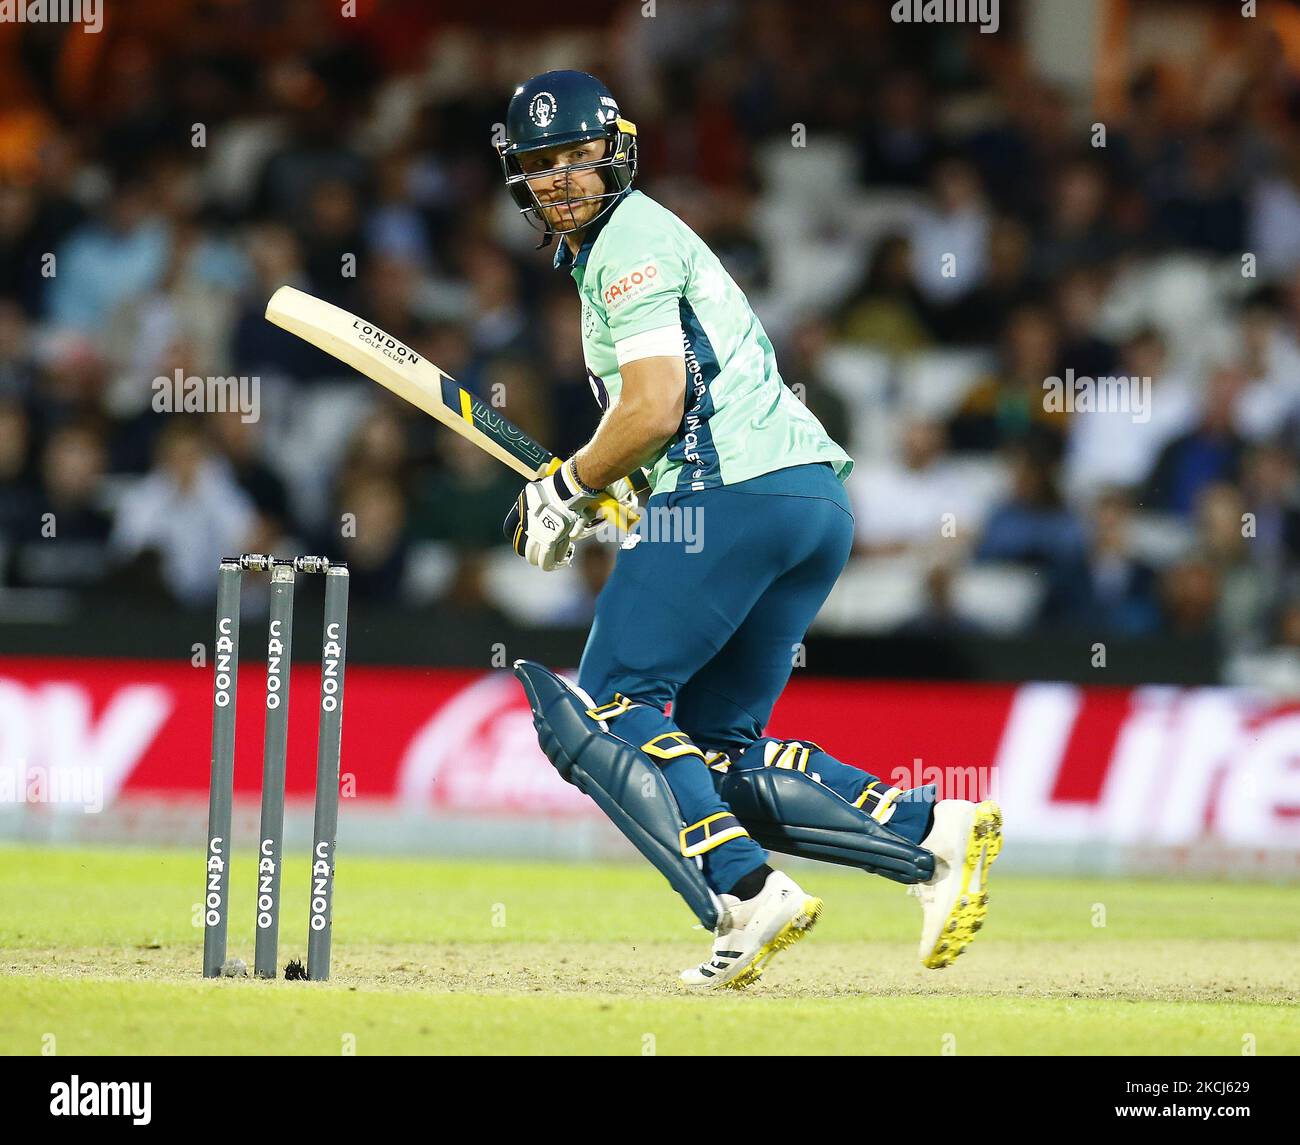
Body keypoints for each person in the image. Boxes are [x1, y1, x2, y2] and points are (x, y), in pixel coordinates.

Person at [498, 71, 1002, 989]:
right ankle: (932, 831)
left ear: (619, 151)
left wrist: (567, 483)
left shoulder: (628, 242)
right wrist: (618, 493)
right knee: (717, 750)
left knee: (610, 704)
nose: (564, 178)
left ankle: (744, 896)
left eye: (579, 155)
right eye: (543, 164)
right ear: (520, 180)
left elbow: (654, 408)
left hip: (732, 491)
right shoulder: (623, 249)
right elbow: (674, 417)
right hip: (807, 501)